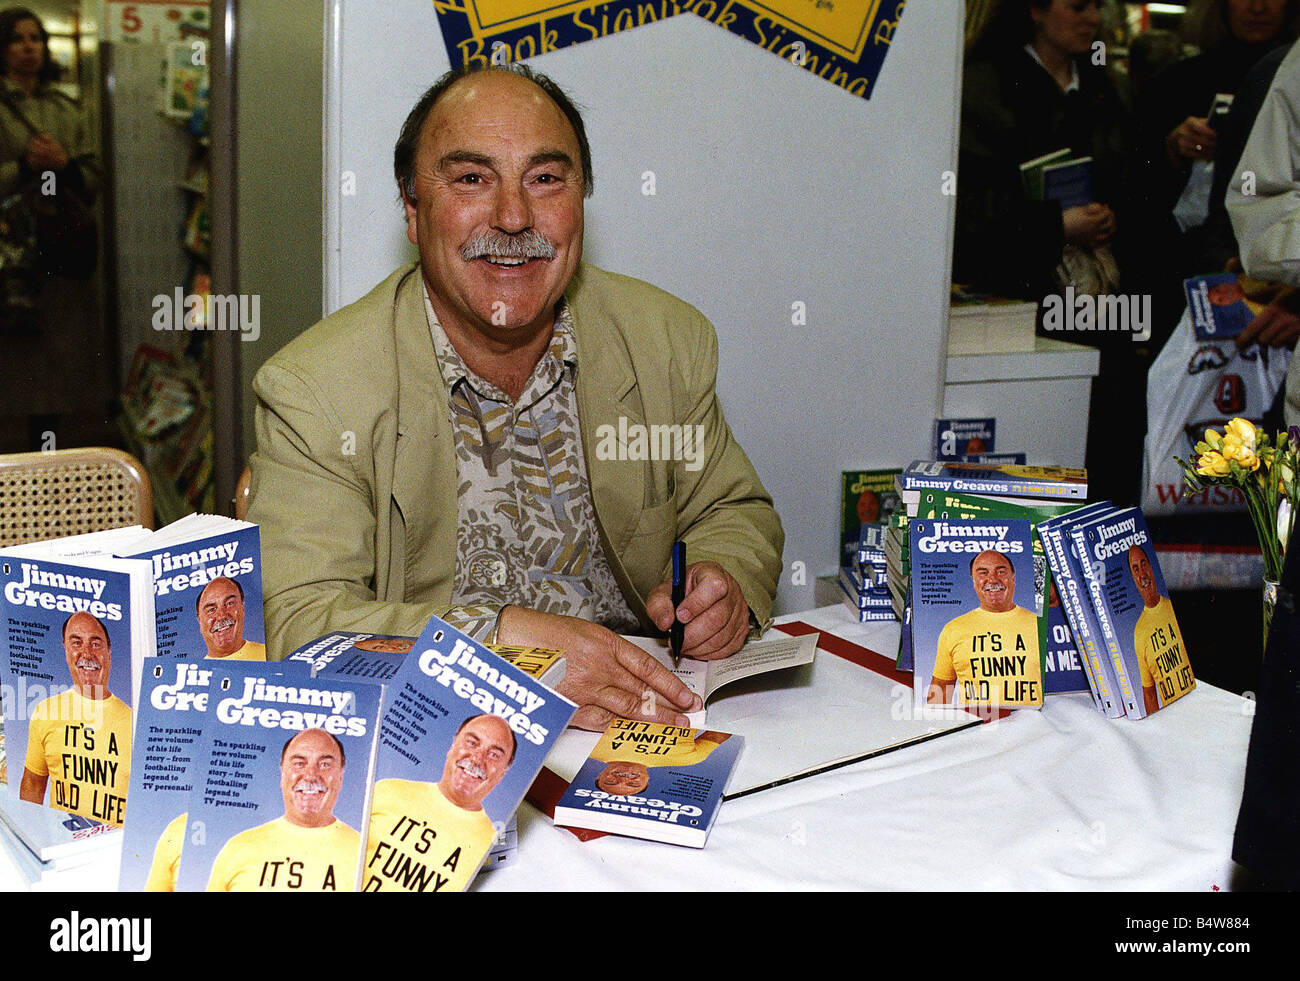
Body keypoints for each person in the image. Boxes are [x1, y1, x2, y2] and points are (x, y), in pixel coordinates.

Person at [246, 64, 783, 731]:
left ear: (581, 198)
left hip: (646, 722)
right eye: (472, 179)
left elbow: (733, 511)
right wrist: (500, 646)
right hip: (441, 742)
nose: (512, 216)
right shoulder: (317, 388)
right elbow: (298, 620)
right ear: (413, 211)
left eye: (545, 179)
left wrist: (721, 582)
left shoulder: (665, 340)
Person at [364, 714, 515, 892]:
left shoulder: (492, 846)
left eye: (494, 755)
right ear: (452, 746)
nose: (477, 759)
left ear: (502, 775)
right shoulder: (387, 790)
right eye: (472, 743)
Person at [206, 728, 361, 891]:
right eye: (299, 764)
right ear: (282, 776)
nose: (310, 775)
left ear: (340, 778)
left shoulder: (363, 853)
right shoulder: (238, 848)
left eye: (325, 764)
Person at [20, 611, 131, 827]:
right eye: (76, 643)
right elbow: (32, 786)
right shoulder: (46, 712)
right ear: (65, 651)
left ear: (109, 651)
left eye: (96, 644)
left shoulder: (135, 722)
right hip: (64, 853)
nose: (86, 653)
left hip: (115, 852)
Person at [927, 550, 1042, 706]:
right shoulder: (953, 629)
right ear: (974, 582)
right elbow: (938, 698)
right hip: (978, 727)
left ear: (1013, 578)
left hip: (1034, 727)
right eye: (983, 573)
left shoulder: (1040, 625)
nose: (993, 579)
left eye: (1001, 571)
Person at [1128, 544, 1192, 714]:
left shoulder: (1173, 606)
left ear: (1151, 567)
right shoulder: (1139, 632)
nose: (1142, 574)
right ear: (1134, 579)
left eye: (1143, 564)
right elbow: (1149, 695)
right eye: (1136, 570)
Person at [195, 576, 266, 660]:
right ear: (200, 621)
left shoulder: (267, 654)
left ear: (242, 608)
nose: (221, 616)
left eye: (229, 603)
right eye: (211, 610)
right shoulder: (194, 671)